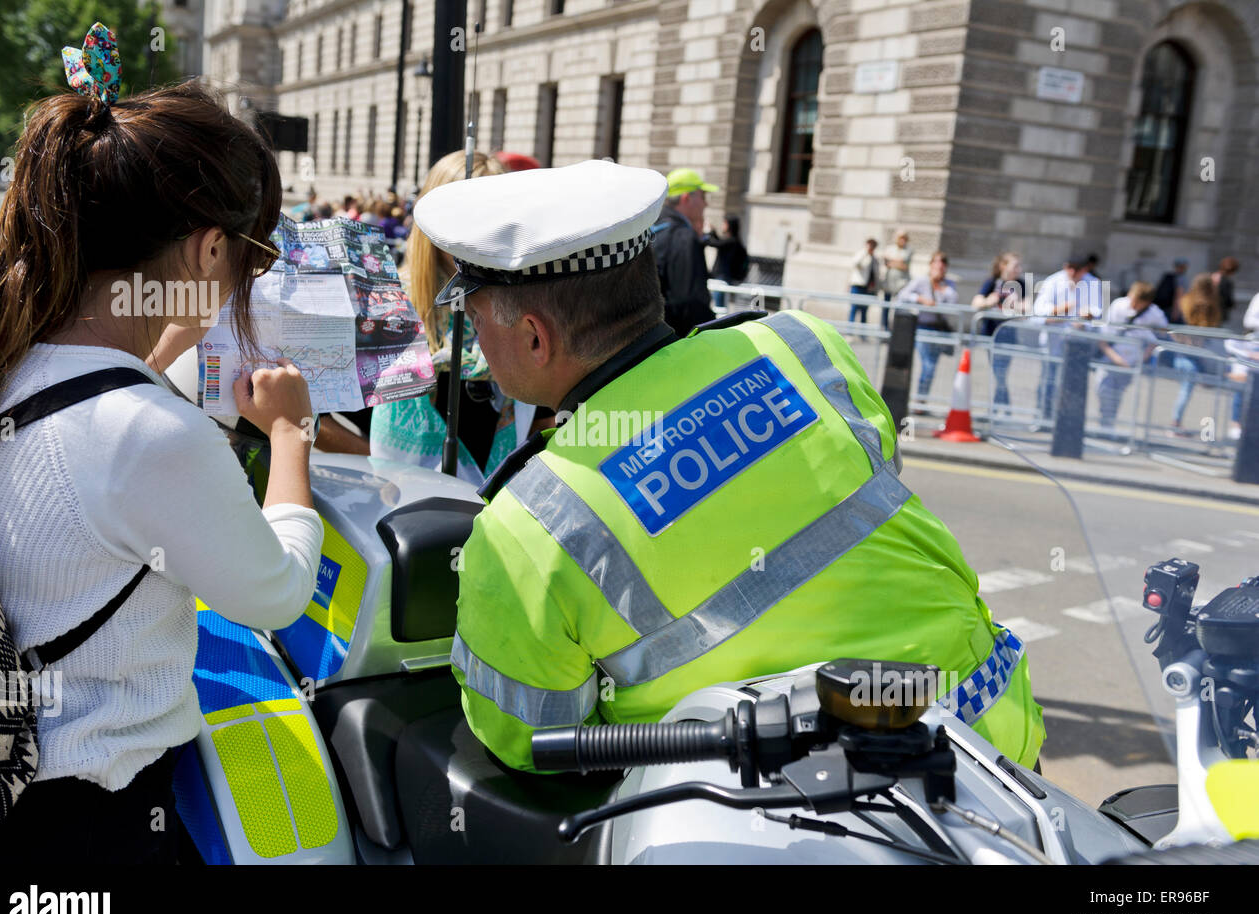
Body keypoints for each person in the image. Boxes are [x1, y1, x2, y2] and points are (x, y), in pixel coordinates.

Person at [411, 160, 1045, 773]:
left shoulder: (528, 525)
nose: (468, 329)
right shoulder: (801, 345)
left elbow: (528, 743)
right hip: (993, 750)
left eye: (472, 308)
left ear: (533, 337)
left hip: (799, 824)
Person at [0, 33, 322, 863]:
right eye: (249, 254)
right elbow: (273, 593)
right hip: (92, 809)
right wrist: (292, 434)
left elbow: (74, 454)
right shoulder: (155, 436)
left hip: (2, 790)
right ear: (206, 247)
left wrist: (155, 351)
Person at [368, 149, 549, 484]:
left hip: (500, 487)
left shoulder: (523, 301)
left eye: (490, 219)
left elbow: (544, 412)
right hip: (407, 496)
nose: (473, 236)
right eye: (461, 217)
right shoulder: (391, 300)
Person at [1031, 253, 1104, 421]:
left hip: (1077, 345)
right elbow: (1039, 312)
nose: (1071, 272)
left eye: (1076, 269)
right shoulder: (1053, 281)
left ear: (1084, 269)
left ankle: (1065, 419)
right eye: (1068, 267)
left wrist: (1087, 316)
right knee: (1048, 380)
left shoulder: (1092, 283)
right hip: (1053, 342)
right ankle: (1044, 416)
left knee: (1072, 384)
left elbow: (1098, 312)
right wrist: (1062, 310)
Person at [651, 168, 717, 337]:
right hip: (676, 342)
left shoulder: (652, 228)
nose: (706, 203)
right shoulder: (683, 236)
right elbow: (691, 303)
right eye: (702, 196)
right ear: (686, 198)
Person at [1094, 281, 1167, 430]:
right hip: (1112, 355)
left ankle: (1108, 424)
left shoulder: (1154, 314)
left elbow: (1160, 336)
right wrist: (1114, 357)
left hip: (1132, 360)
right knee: (1102, 389)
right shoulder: (1118, 305)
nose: (1133, 305)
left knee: (1116, 393)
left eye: (1137, 303)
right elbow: (1104, 335)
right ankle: (1105, 421)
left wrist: (1142, 358)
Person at [1168, 274, 1227, 434]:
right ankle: (1176, 424)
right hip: (1200, 350)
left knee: (1187, 388)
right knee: (1190, 388)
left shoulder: (1185, 300)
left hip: (1182, 349)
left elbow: (1176, 323)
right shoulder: (1209, 305)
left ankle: (1177, 423)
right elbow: (1208, 329)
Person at [896, 251, 959, 400]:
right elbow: (902, 295)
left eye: (943, 265)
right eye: (937, 264)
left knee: (932, 366)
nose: (940, 267)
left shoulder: (949, 285)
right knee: (927, 365)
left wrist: (942, 289)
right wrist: (919, 298)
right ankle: (918, 398)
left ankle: (922, 397)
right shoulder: (921, 281)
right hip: (922, 327)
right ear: (931, 265)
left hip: (939, 329)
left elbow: (953, 303)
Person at [972, 252, 1024, 412]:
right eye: (1014, 266)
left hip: (1008, 335)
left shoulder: (1020, 284)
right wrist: (989, 301)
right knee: (998, 372)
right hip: (991, 333)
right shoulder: (992, 282)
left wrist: (1016, 304)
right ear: (1003, 266)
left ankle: (998, 408)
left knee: (1001, 372)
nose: (1018, 269)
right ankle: (1002, 407)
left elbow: (1028, 306)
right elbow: (976, 302)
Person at [706, 213, 749, 309]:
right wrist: (713, 233)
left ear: (729, 225)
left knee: (720, 308)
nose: (723, 225)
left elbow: (715, 243)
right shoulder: (733, 241)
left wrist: (709, 234)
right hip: (720, 278)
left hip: (722, 279)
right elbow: (719, 243)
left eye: (724, 223)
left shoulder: (732, 241)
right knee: (719, 307)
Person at [879, 229, 912, 330]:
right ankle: (884, 328)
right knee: (886, 307)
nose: (902, 240)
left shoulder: (909, 250)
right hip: (889, 283)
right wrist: (898, 263)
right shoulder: (890, 248)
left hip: (901, 284)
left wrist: (892, 262)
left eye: (904, 238)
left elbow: (904, 265)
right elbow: (886, 262)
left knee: (899, 308)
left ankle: (896, 329)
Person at [847, 239, 880, 324]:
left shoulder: (875, 259)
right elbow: (855, 263)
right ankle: (850, 331)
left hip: (868, 288)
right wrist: (865, 253)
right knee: (854, 308)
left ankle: (862, 333)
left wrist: (876, 289)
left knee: (864, 310)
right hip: (858, 285)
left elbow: (876, 275)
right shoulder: (861, 254)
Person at [1154, 258, 1189, 323]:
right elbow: (1178, 295)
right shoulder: (1181, 278)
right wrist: (1176, 311)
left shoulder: (1169, 276)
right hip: (1173, 309)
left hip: (1164, 307)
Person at [1212, 256, 1240, 328]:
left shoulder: (1213, 276)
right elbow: (1227, 298)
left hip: (1210, 310)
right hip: (1219, 311)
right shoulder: (1226, 281)